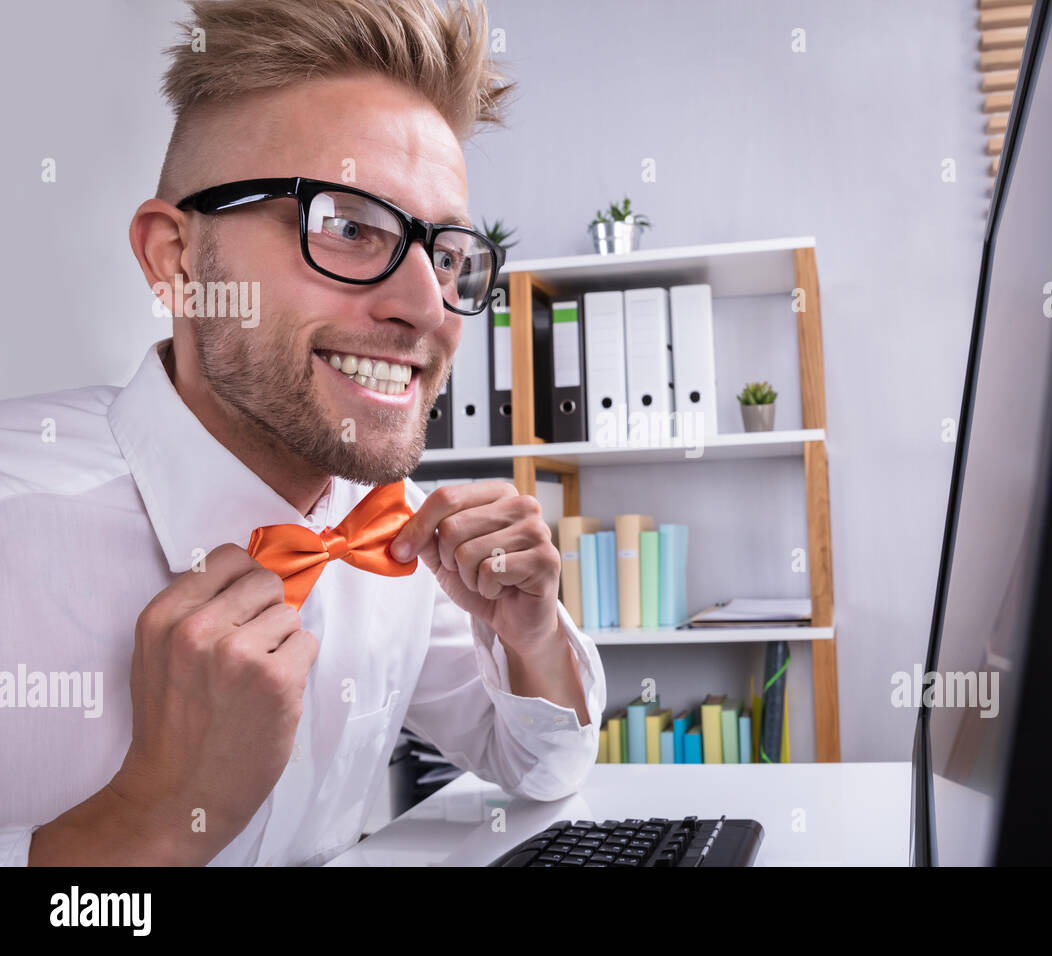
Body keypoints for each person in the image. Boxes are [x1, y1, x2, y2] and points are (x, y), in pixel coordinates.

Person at [0, 0, 605, 866]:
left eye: (446, 255)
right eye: (349, 227)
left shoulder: (389, 536)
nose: (428, 308)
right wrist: (149, 820)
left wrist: (534, 633)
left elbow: (543, 766)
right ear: (176, 261)